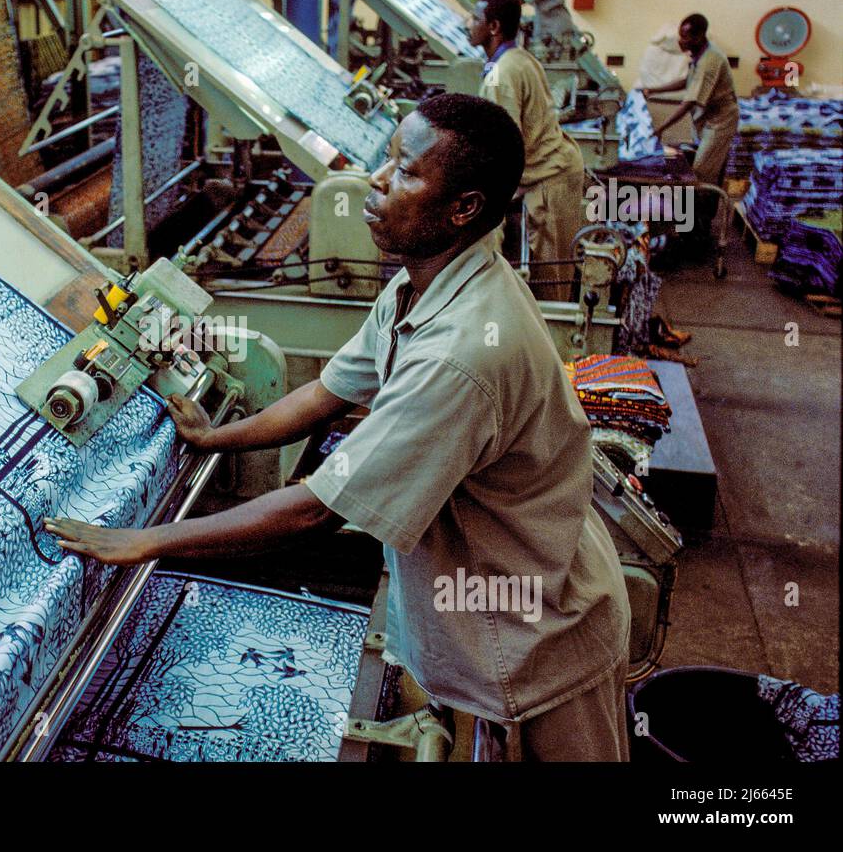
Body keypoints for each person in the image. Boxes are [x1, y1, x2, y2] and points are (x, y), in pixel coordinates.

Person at [46, 94, 633, 762]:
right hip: (495, 592)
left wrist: (145, 540)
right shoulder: (420, 285)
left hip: (542, 635)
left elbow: (314, 513)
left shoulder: (463, 353)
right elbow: (326, 394)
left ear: (464, 207)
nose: (376, 182)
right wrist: (216, 437)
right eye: (387, 160)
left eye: (406, 172)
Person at [468, 0, 586, 302]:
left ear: (493, 27)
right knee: (555, 271)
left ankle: (560, 347)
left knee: (551, 283)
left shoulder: (502, 74)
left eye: (474, 19)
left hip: (549, 179)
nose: (468, 24)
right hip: (557, 167)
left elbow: (505, 146)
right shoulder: (519, 58)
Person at [644, 13, 739, 186]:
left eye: (685, 37)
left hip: (720, 121)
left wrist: (661, 128)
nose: (681, 41)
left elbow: (689, 102)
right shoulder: (699, 55)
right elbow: (687, 82)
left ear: (699, 37)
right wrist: (654, 90)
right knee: (709, 164)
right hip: (708, 118)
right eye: (680, 36)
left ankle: (703, 210)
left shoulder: (710, 61)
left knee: (702, 170)